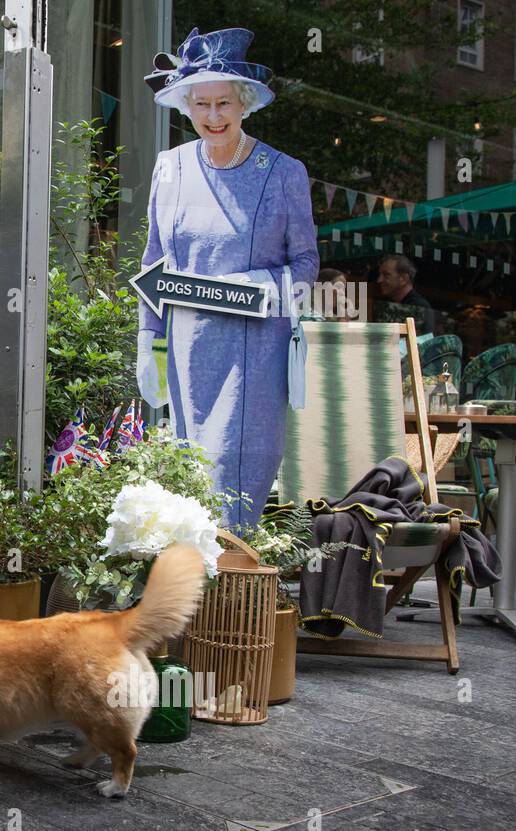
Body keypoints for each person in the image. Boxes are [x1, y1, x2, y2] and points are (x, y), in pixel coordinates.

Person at [136, 27, 318, 528]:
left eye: (223, 104)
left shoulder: (283, 173)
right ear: (186, 106)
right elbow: (156, 262)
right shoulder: (169, 168)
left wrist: (257, 286)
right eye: (201, 105)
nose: (213, 117)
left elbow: (306, 265)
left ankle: (231, 593)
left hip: (254, 355)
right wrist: (148, 341)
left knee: (232, 494)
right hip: (187, 351)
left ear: (243, 104)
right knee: (188, 486)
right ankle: (199, 596)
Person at [376, 254, 436, 335]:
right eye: (380, 275)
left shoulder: (419, 307)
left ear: (403, 279)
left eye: (386, 275)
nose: (379, 280)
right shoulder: (387, 304)